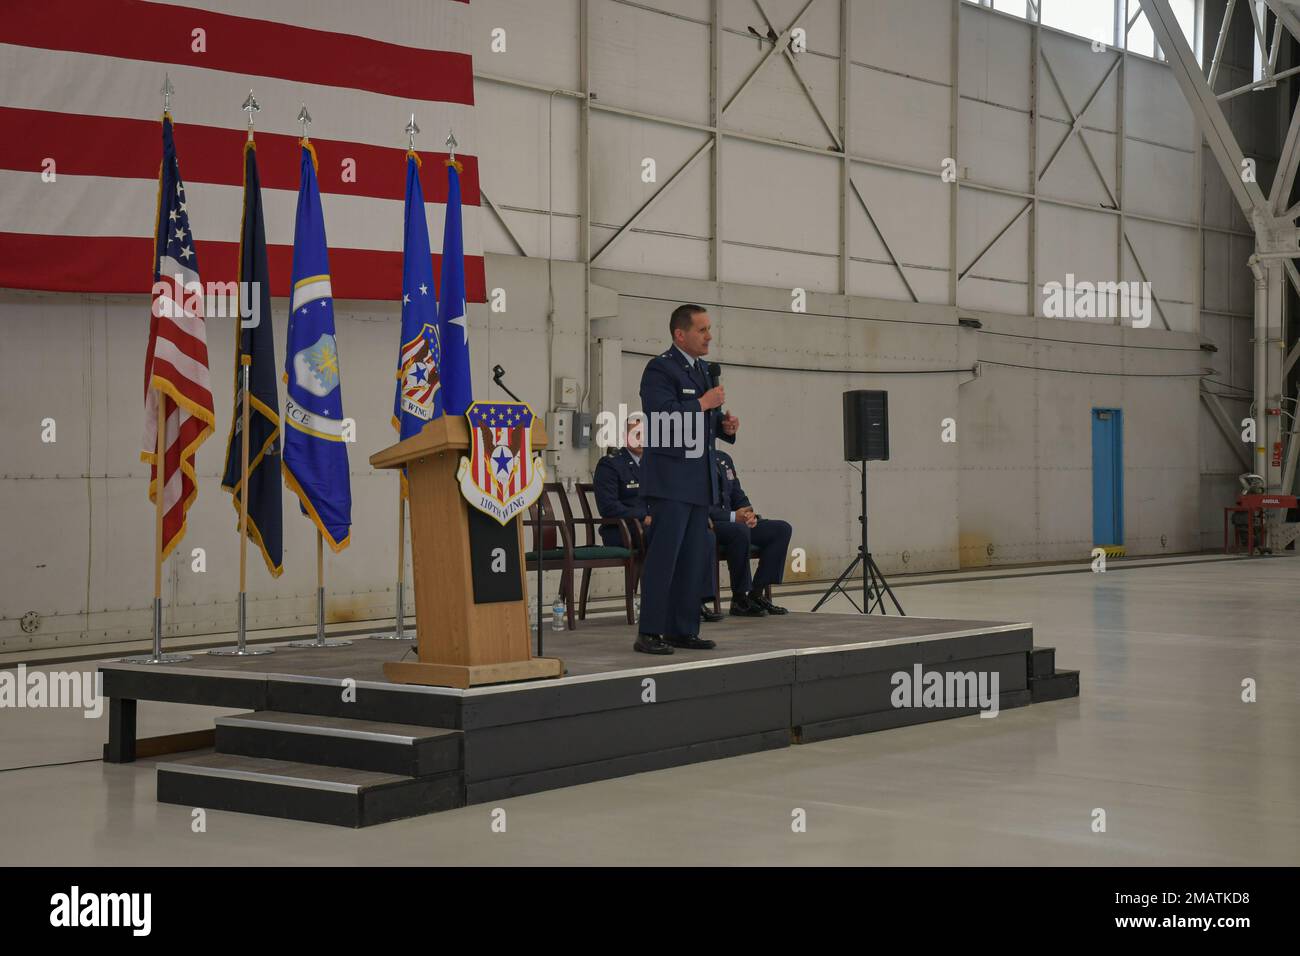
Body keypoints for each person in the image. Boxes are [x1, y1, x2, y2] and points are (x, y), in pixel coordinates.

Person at [634, 304, 737, 654]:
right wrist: (703, 405)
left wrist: (724, 426)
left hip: (699, 480)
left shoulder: (705, 371)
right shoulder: (660, 368)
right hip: (670, 480)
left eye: (710, 329)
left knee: (695, 557)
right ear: (681, 334)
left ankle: (682, 628)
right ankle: (649, 631)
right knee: (665, 557)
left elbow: (705, 422)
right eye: (702, 330)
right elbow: (661, 415)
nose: (710, 336)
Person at [594, 415, 723, 624]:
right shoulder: (611, 465)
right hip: (625, 530)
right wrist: (643, 517)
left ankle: (695, 601)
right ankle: (659, 606)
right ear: (624, 436)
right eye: (636, 434)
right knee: (669, 538)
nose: (641, 439)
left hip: (659, 523)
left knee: (703, 536)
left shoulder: (658, 463)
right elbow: (609, 507)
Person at [709, 449, 791, 616]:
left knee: (781, 529)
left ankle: (755, 594)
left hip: (738, 522)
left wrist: (748, 513)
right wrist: (733, 516)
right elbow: (699, 505)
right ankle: (739, 598)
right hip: (711, 524)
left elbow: (737, 494)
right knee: (739, 531)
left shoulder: (723, 458)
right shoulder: (691, 461)